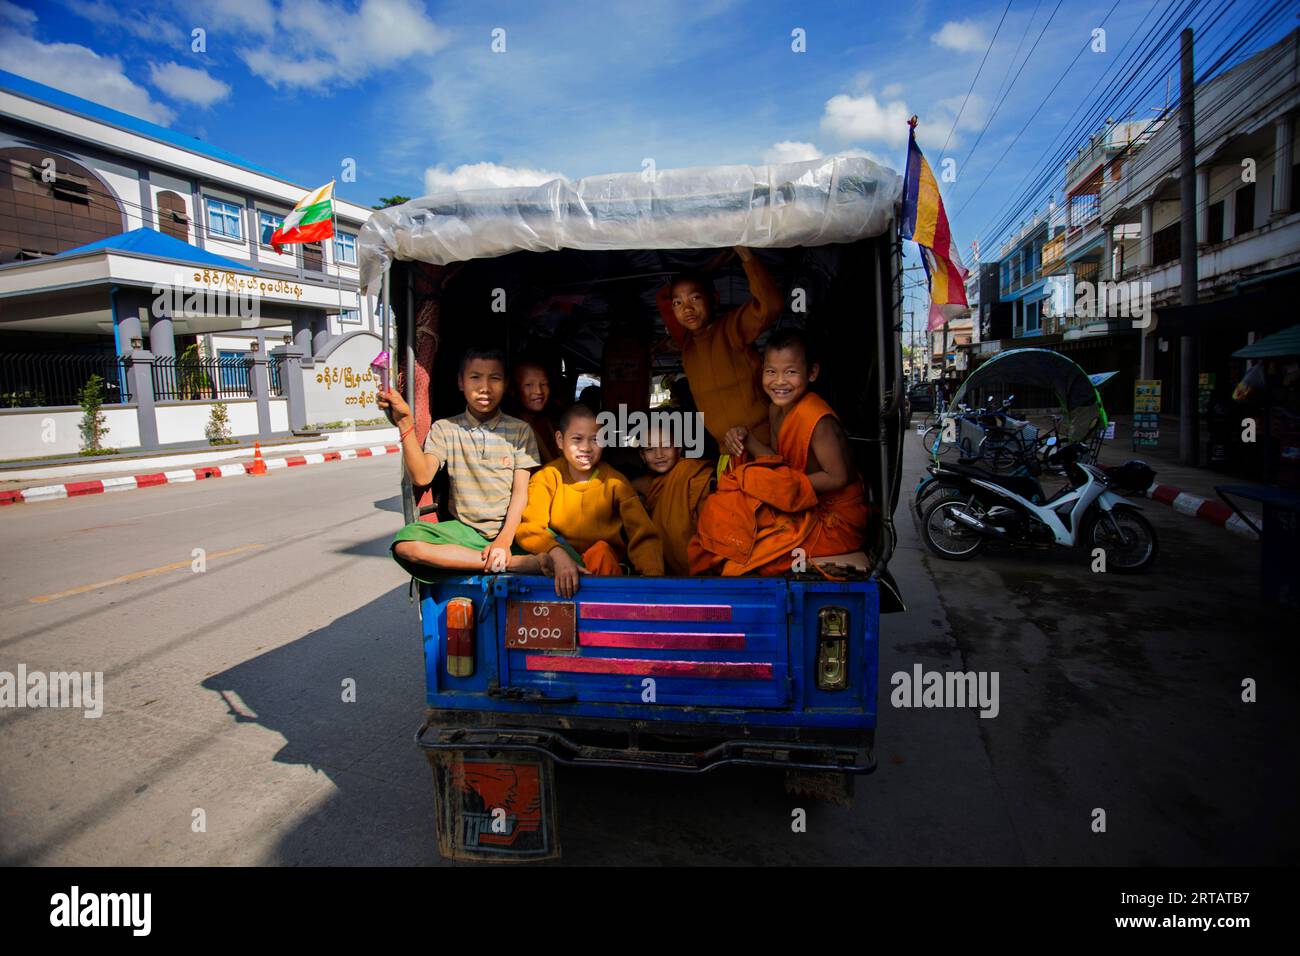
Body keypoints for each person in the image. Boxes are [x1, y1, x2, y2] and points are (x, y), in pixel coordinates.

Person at [689, 329, 869, 576]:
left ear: (812, 373)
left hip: (833, 520)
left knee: (748, 559)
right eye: (771, 371)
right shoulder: (775, 410)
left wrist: (785, 487)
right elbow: (779, 460)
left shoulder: (818, 420)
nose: (779, 381)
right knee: (729, 524)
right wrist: (747, 439)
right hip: (802, 505)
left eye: (791, 372)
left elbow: (838, 477)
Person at [379, 348, 549, 581]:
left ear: (506, 383)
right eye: (475, 377)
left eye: (495, 378)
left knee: (566, 554)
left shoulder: (520, 430)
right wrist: (404, 422)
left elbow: (521, 494)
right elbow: (421, 477)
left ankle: (494, 558)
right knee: (407, 545)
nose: (485, 387)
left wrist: (503, 541)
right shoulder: (445, 429)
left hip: (514, 531)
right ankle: (512, 564)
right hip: (465, 533)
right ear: (461, 382)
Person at [516, 404, 664, 597]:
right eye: (577, 439)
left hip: (606, 573)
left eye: (595, 439)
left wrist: (652, 583)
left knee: (601, 551)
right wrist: (557, 553)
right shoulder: (547, 478)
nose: (586, 448)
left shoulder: (615, 482)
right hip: (558, 572)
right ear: (560, 440)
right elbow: (529, 529)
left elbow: (643, 534)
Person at [656, 246, 783, 448]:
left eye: (695, 297)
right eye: (678, 303)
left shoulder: (732, 327)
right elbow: (663, 297)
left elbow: (771, 305)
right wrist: (709, 268)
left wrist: (746, 256)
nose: (687, 308)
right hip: (726, 452)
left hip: (762, 442)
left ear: (713, 299)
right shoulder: (688, 344)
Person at [632, 416, 714, 576]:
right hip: (667, 570)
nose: (659, 454)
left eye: (666, 446)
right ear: (642, 456)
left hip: (702, 569)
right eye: (650, 449)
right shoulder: (643, 484)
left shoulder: (694, 474)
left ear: (679, 448)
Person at [511, 359, 561, 463]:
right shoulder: (511, 429)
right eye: (528, 385)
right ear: (513, 390)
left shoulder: (553, 421)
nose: (538, 391)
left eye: (543, 384)